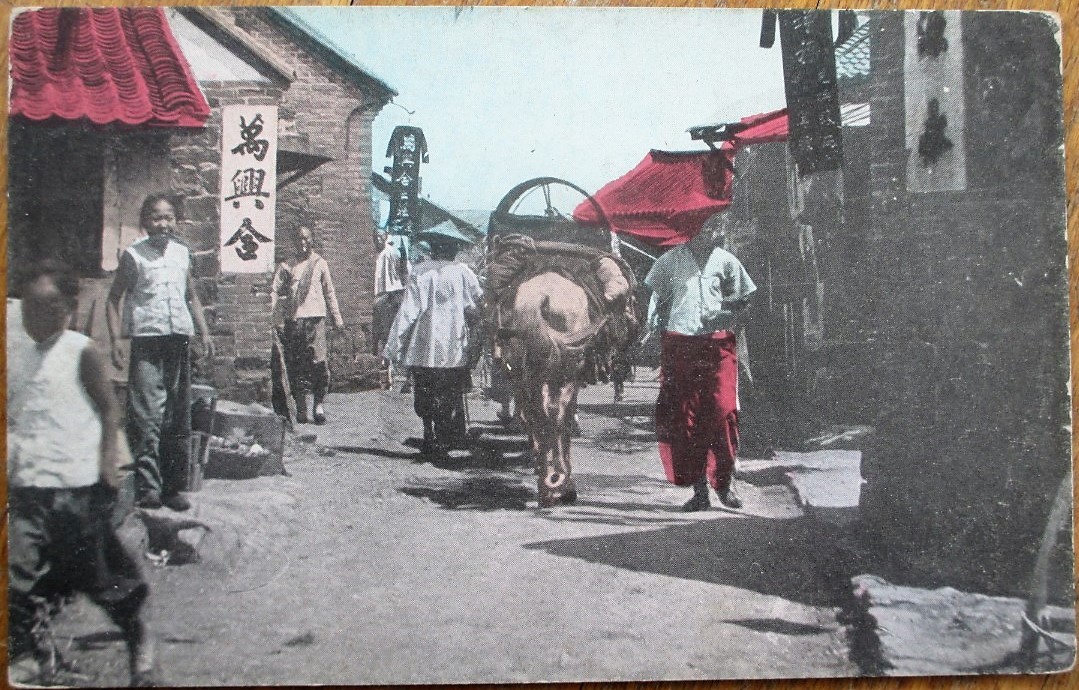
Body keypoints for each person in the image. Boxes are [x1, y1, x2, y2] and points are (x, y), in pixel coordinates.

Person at [9, 260, 155, 686]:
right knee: (17, 573)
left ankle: (138, 639)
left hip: (76, 484)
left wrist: (109, 464)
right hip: (30, 484)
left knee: (100, 576)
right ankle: (35, 657)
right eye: (29, 310)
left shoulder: (80, 350)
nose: (37, 319)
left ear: (70, 308)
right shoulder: (17, 355)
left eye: (48, 308)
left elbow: (109, 411)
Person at [107, 193, 213, 512]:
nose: (163, 223)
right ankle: (148, 487)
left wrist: (204, 332)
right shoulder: (133, 255)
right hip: (147, 341)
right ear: (145, 221)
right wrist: (116, 340)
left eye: (168, 217)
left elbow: (191, 296)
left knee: (177, 415)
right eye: (156, 217)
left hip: (178, 340)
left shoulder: (182, 253)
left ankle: (172, 487)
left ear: (176, 221)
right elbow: (115, 300)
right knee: (146, 415)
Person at [644, 210, 756, 511]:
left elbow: (745, 298)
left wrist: (727, 313)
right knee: (687, 419)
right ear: (689, 229)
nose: (708, 233)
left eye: (713, 228)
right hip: (681, 345)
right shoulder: (669, 262)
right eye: (702, 228)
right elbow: (654, 299)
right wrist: (656, 326)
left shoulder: (727, 261)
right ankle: (700, 492)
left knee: (722, 414)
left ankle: (724, 485)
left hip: (718, 345)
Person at [384, 221, 483, 455]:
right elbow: (477, 302)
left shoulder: (420, 271)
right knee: (448, 392)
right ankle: (442, 436)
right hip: (452, 347)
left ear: (433, 247)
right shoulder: (463, 272)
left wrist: (393, 347)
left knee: (425, 391)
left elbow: (408, 312)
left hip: (424, 345)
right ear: (453, 248)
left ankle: (429, 432)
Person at [277, 226, 345, 424]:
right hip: (296, 320)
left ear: (312, 239)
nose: (303, 243)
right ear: (294, 241)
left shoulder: (320, 263)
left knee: (319, 363)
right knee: (298, 364)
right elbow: (275, 291)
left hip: (316, 319)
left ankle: (318, 405)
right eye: (299, 239)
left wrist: (337, 318)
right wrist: (278, 316)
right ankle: (301, 406)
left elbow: (329, 292)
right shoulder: (288, 265)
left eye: (306, 239)